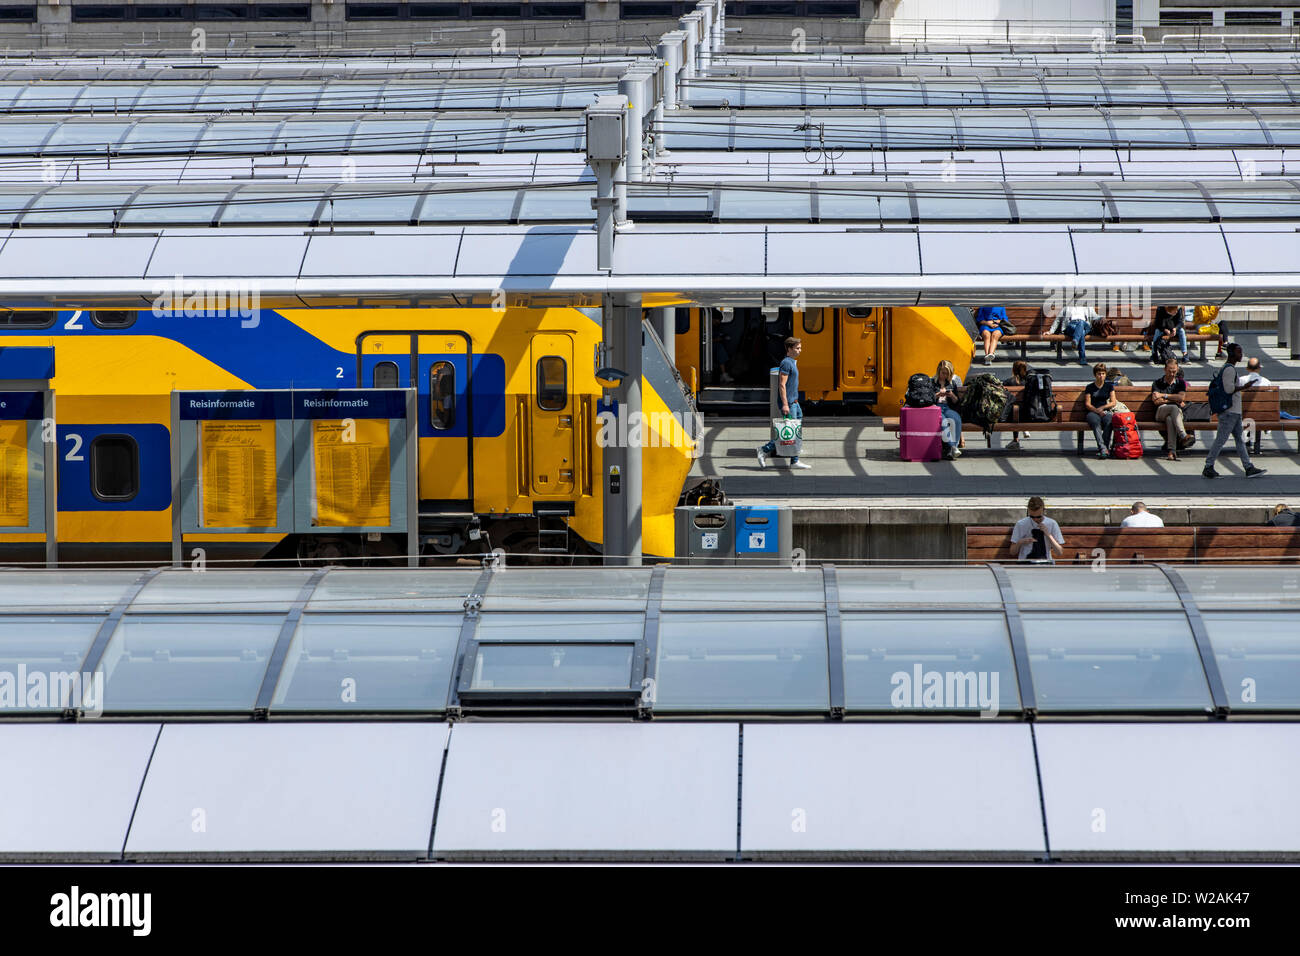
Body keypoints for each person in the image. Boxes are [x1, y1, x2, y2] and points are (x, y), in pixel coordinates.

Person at [1202, 342, 1266, 479]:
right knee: (1221, 439)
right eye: (1238, 352)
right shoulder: (1229, 370)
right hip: (1229, 412)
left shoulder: (1229, 369)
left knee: (1239, 440)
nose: (1241, 354)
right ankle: (1208, 466)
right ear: (1231, 354)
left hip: (1234, 412)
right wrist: (1244, 387)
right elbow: (1229, 389)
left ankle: (1248, 467)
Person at [757, 337, 810, 469]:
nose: (800, 350)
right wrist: (785, 404)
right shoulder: (786, 363)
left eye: (800, 348)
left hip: (795, 402)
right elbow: (782, 385)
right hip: (790, 403)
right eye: (797, 348)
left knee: (795, 430)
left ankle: (794, 459)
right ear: (789, 349)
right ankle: (764, 450)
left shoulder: (792, 362)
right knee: (789, 432)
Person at [1151, 358, 1194, 461]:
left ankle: (1172, 452)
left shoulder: (1180, 383)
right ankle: (1183, 435)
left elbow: (1181, 398)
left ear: (1177, 369)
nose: (1172, 374)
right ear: (1164, 369)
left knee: (1170, 419)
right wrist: (1173, 400)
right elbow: (1156, 402)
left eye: (1174, 371)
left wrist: (1163, 395)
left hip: (1176, 415)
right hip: (1160, 412)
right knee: (1174, 408)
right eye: (1169, 371)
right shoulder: (1157, 383)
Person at [1009, 496, 1064, 564]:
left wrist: (1048, 534)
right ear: (1028, 511)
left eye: (1039, 517)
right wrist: (1020, 542)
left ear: (1044, 510)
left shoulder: (1052, 523)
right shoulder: (1021, 524)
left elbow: (1059, 552)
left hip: (1046, 563)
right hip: (1026, 564)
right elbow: (1012, 552)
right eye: (1032, 517)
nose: (1035, 519)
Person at [932, 359, 965, 460]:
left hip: (948, 407)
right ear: (938, 371)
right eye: (943, 373)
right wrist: (937, 395)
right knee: (943, 421)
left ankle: (952, 449)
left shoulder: (951, 383)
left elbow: (957, 402)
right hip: (936, 408)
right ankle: (953, 447)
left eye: (947, 373)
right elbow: (928, 399)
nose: (945, 375)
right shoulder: (932, 382)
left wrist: (952, 395)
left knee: (956, 419)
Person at [1084, 362, 1118, 458]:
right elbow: (1087, 404)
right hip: (1092, 412)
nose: (1101, 376)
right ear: (1095, 375)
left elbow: (1113, 402)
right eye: (1099, 374)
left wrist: (1103, 408)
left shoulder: (1109, 386)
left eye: (1103, 373)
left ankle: (1104, 448)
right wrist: (1097, 410)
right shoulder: (1090, 387)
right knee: (1095, 422)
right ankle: (1103, 448)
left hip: (1105, 410)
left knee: (1109, 421)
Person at [1003, 360, 1030, 451]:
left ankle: (1016, 439)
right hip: (1027, 413)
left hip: (1011, 415)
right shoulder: (1028, 381)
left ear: (1013, 369)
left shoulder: (1008, 382)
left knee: (1014, 409)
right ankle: (1024, 428)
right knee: (1018, 410)